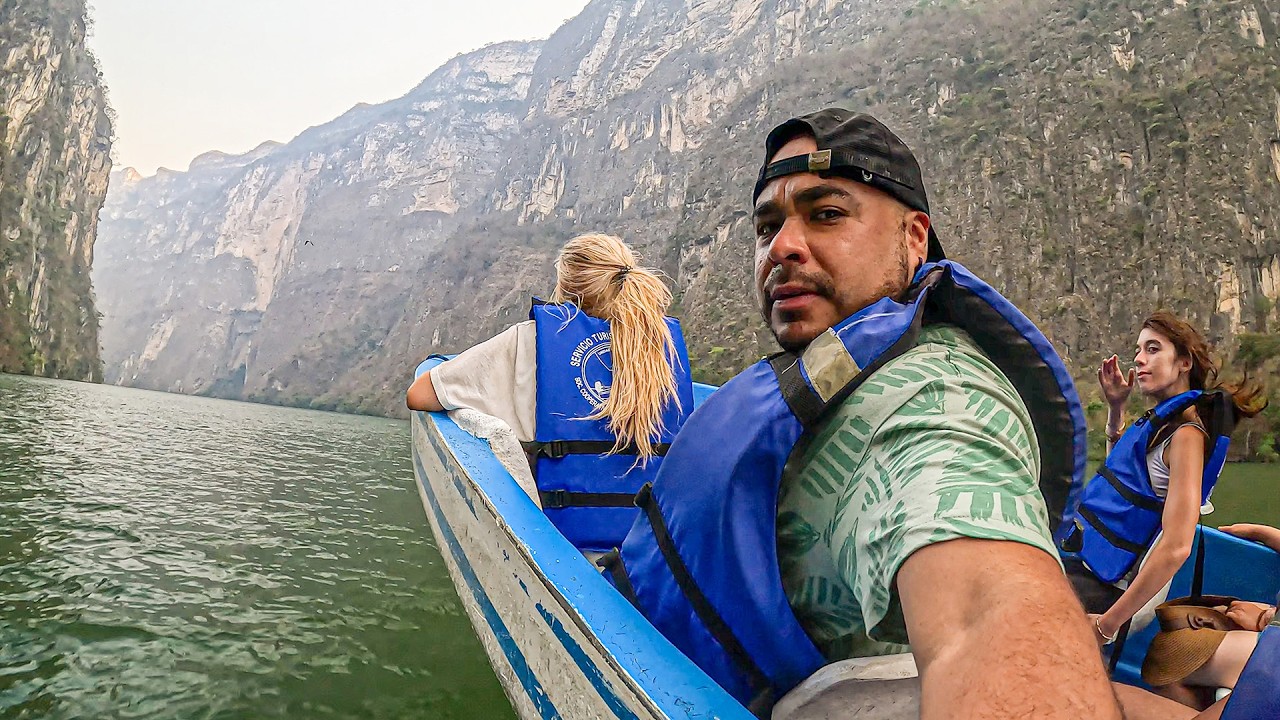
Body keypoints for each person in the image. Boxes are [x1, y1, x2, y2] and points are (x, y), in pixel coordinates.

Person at [599, 108, 1121, 719]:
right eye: (768, 227)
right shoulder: (836, 378)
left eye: (827, 215)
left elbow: (986, 611)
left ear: (913, 238)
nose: (783, 247)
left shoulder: (934, 396)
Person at [406, 233, 694, 551]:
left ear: (567, 288)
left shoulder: (533, 340)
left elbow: (419, 395)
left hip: (564, 544)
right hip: (651, 551)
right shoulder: (663, 354)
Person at [1056, 312, 1266, 647]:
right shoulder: (1162, 422)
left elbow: (1177, 546)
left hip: (1118, 589)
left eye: (1153, 349)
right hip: (1095, 562)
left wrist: (1106, 627)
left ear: (1184, 363)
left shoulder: (1187, 435)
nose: (1139, 359)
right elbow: (1124, 486)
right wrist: (1116, 408)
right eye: (1138, 350)